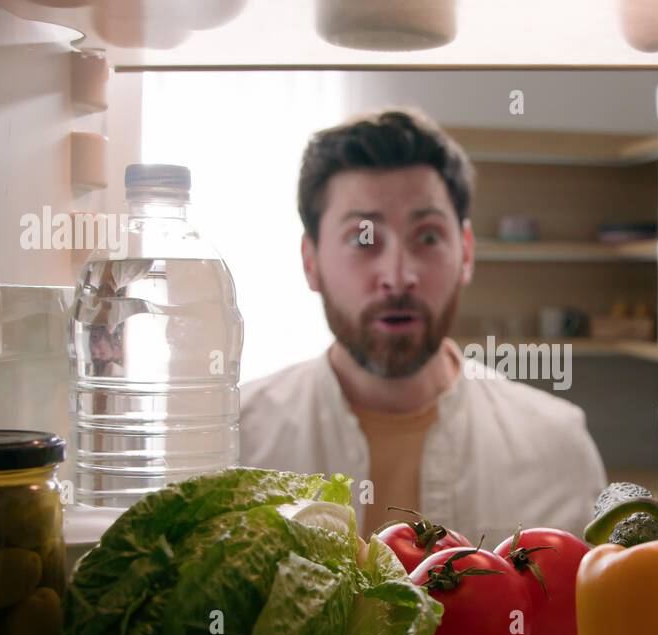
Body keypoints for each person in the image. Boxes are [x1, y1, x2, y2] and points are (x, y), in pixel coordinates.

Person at [241, 108, 607, 541]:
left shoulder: (557, 446)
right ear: (311, 262)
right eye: (363, 239)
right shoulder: (241, 442)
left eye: (428, 237)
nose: (398, 276)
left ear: (466, 253)